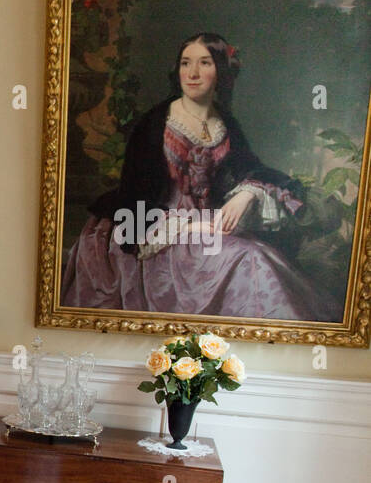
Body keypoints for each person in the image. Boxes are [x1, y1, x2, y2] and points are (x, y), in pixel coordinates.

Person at [61, 32, 340, 321]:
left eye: (204, 63)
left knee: (263, 259)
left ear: (221, 71)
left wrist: (247, 194)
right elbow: (136, 195)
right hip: (158, 229)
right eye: (185, 63)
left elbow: (252, 169)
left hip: (211, 226)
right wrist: (189, 228)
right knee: (248, 259)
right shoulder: (156, 123)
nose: (192, 74)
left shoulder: (225, 123)